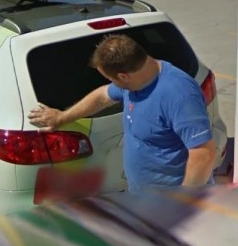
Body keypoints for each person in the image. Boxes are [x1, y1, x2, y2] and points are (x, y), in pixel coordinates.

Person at [27, 33, 217, 191]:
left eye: (113, 79)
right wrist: (61, 117)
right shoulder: (136, 80)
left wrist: (184, 202)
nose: (112, 85)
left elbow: (203, 153)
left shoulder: (178, 94)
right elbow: (102, 96)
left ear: (124, 76)